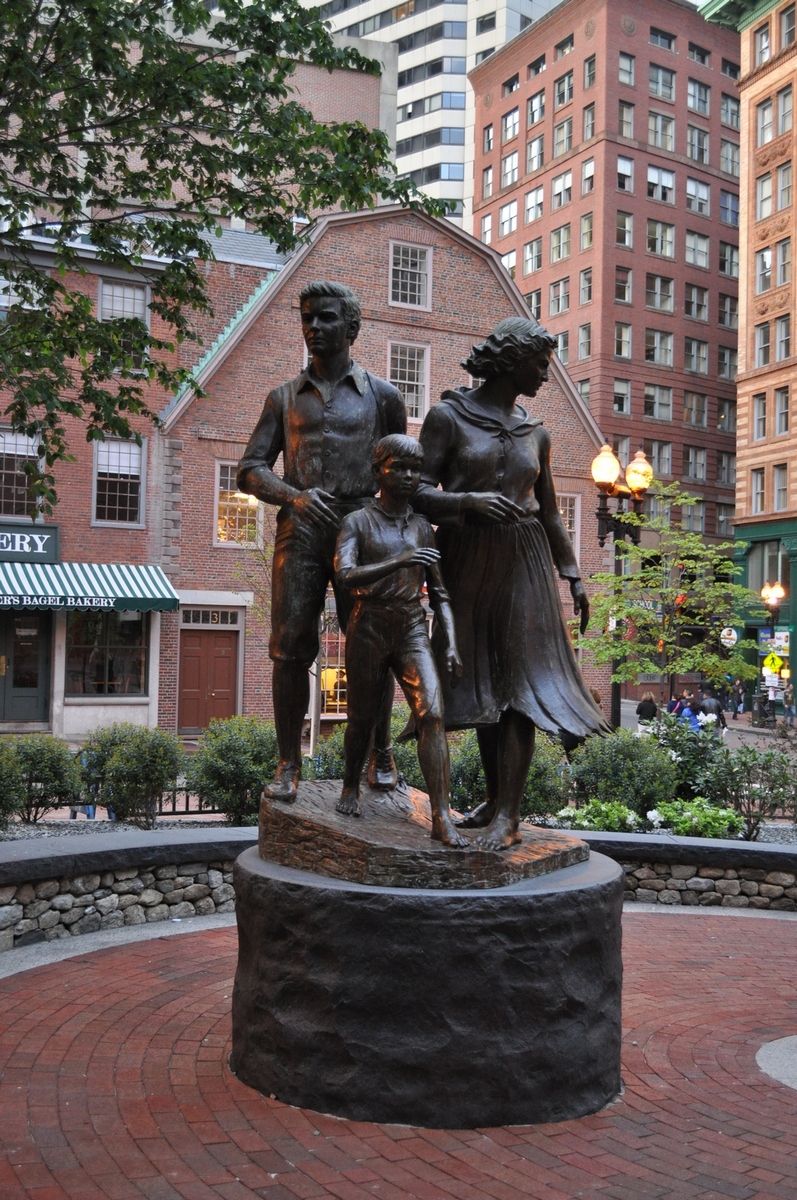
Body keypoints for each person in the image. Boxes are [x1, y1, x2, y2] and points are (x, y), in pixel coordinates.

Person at [415, 316, 609, 851]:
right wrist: (466, 503)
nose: (547, 374)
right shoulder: (447, 417)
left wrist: (572, 575)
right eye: (540, 363)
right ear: (511, 361)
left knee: (523, 680)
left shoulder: (536, 433)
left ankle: (510, 814)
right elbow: (415, 493)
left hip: (524, 559)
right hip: (466, 556)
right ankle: (496, 799)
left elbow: (549, 513)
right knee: (480, 681)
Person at [237, 281, 406, 801]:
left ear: (351, 327)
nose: (314, 326)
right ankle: (289, 762)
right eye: (307, 317)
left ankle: (380, 752)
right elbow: (248, 470)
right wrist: (294, 496)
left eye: (326, 318)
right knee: (289, 648)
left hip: (365, 527)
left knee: (373, 647)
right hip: (302, 528)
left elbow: (401, 472)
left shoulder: (384, 396)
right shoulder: (283, 398)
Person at [334, 435, 466, 846]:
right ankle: (350, 786)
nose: (409, 476)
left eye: (415, 470)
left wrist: (451, 642)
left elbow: (440, 593)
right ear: (378, 471)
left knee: (432, 714)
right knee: (361, 718)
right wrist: (399, 560)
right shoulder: (358, 521)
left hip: (411, 627)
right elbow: (345, 574)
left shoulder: (423, 527)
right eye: (399, 468)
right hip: (368, 625)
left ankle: (442, 816)